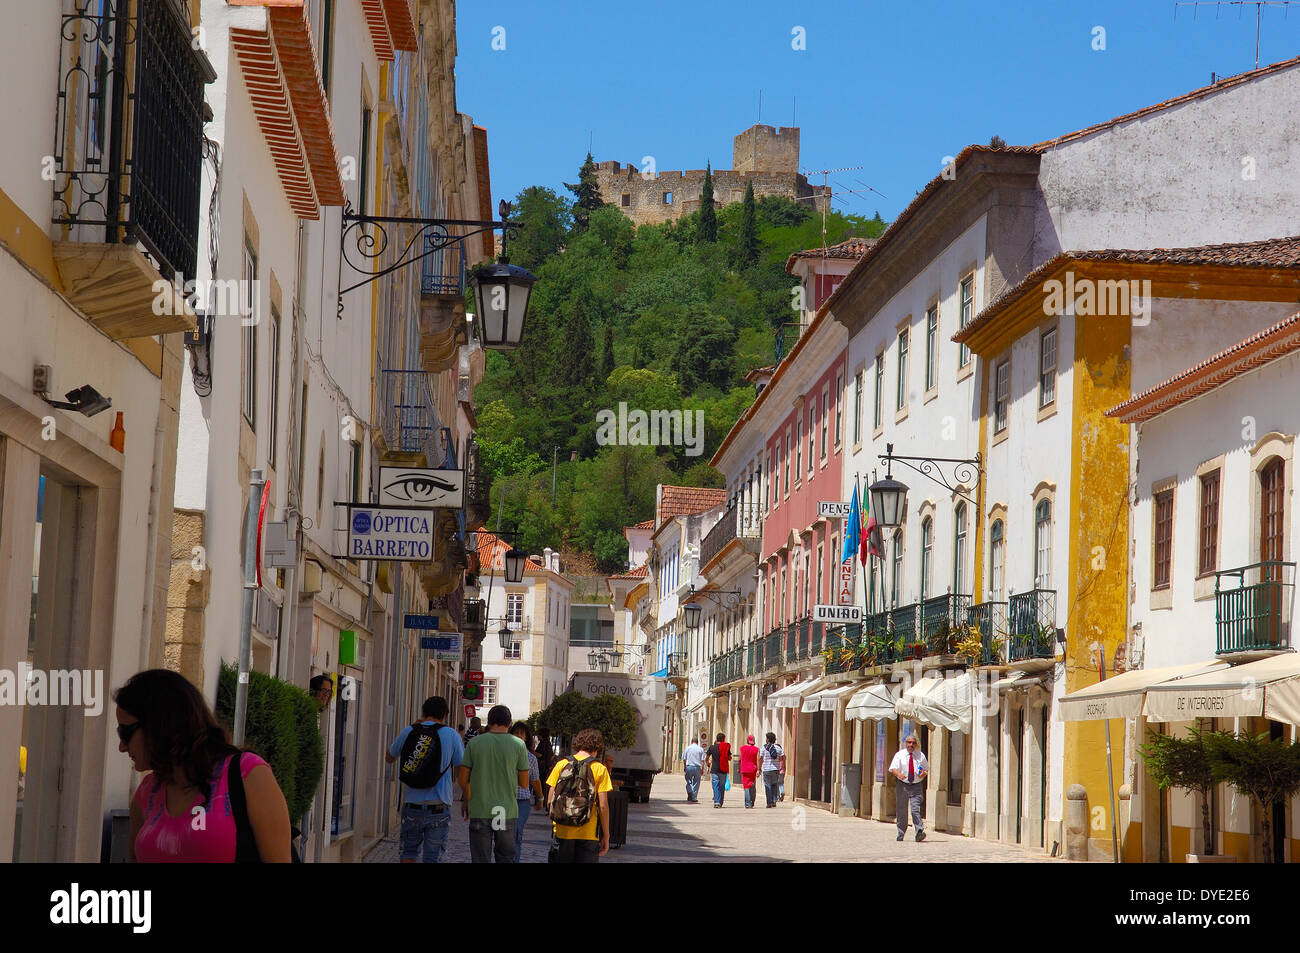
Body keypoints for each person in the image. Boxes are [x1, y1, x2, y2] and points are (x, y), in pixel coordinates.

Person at [115, 669, 292, 862]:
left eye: (125, 732)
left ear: (160, 723)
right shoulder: (146, 794)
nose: (122, 747)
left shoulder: (247, 775)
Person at [384, 695, 463, 863]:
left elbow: (389, 757)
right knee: (433, 857)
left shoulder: (410, 731)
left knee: (409, 853)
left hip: (412, 803)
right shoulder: (451, 734)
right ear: (444, 715)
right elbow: (461, 765)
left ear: (423, 712)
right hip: (439, 805)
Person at [458, 705, 530, 863]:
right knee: (505, 858)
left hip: (480, 809)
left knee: (480, 858)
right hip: (506, 811)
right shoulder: (518, 745)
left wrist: (467, 799)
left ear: (489, 722)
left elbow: (463, 779)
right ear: (509, 723)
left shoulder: (475, 743)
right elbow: (524, 783)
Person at [545, 728, 613, 862]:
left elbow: (549, 801)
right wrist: (606, 835)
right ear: (597, 747)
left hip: (562, 831)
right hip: (588, 832)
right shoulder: (599, 769)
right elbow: (603, 806)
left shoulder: (562, 764)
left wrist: (558, 821)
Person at [511, 722, 544, 861]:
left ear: (526, 738)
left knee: (517, 832)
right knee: (502, 834)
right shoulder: (504, 753)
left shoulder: (531, 758)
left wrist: (540, 798)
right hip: (503, 800)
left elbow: (535, 780)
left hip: (522, 802)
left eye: (521, 733)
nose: (518, 735)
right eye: (516, 732)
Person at [890, 734, 929, 842]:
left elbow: (926, 769)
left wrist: (923, 773)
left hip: (916, 785)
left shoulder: (920, 756)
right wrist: (899, 775)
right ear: (905, 743)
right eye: (909, 742)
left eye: (913, 743)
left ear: (916, 744)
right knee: (901, 810)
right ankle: (901, 833)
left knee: (915, 809)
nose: (911, 745)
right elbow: (893, 768)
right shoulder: (899, 755)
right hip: (903, 785)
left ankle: (919, 832)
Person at [704, 732, 731, 808]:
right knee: (722, 786)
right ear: (723, 739)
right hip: (723, 770)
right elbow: (729, 757)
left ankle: (717, 802)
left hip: (715, 770)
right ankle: (720, 801)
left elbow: (707, 757)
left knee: (715, 786)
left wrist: (708, 763)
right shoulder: (726, 747)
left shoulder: (712, 747)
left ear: (717, 739)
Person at [761, 732, 783, 808]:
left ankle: (769, 802)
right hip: (775, 769)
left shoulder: (764, 748)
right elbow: (782, 757)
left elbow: (760, 758)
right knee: (774, 785)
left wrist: (759, 768)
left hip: (766, 769)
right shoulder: (778, 748)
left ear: (768, 739)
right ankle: (774, 800)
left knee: (768, 786)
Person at [681, 736, 705, 803]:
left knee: (688, 781)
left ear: (691, 742)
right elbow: (703, 760)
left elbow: (684, 759)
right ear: (697, 742)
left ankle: (689, 791)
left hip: (689, 766)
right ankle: (694, 797)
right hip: (697, 767)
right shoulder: (701, 749)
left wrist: (685, 767)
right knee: (696, 782)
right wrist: (702, 769)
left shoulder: (687, 748)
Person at [739, 735, 760, 808]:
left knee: (746, 787)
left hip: (744, 769)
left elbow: (740, 759)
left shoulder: (742, 748)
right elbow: (758, 760)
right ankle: (752, 801)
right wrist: (758, 769)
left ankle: (748, 804)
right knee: (752, 786)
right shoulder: (756, 749)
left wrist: (739, 768)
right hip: (752, 770)